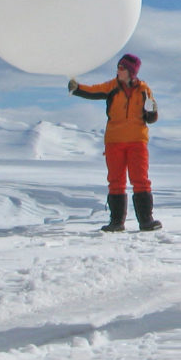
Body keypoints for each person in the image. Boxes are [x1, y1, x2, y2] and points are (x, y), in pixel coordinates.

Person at [69, 53, 161, 232]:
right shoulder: (111, 86)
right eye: (118, 67)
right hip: (114, 141)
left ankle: (146, 221)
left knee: (140, 180)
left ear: (131, 72)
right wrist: (76, 88)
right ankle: (116, 222)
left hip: (137, 141)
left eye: (122, 68)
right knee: (116, 181)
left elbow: (150, 118)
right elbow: (93, 91)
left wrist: (153, 112)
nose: (118, 70)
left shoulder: (144, 90)